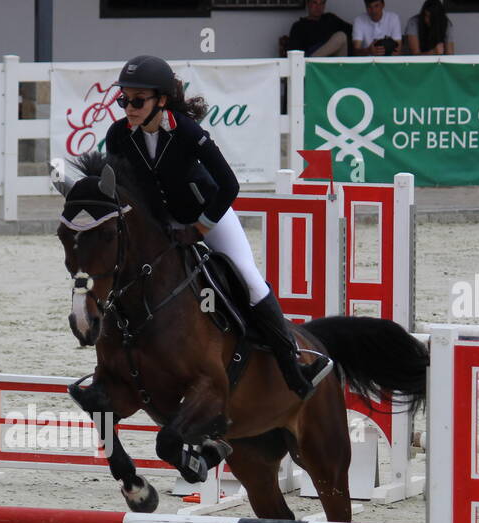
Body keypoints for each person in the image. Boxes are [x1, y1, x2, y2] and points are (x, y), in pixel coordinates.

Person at [104, 55, 331, 399]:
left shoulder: (187, 132)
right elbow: (119, 187)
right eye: (124, 100)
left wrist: (199, 229)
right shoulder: (119, 136)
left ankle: (294, 366)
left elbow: (229, 185)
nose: (129, 108)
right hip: (160, 224)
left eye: (137, 101)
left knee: (248, 279)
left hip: (208, 215)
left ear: (161, 100)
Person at [288, 0, 352, 58]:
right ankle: (311, 61)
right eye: (315, 3)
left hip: (333, 63)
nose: (318, 7)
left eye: (322, 3)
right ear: (308, 4)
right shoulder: (299, 26)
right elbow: (294, 52)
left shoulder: (330, 18)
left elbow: (352, 31)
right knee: (340, 36)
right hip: (312, 63)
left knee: (342, 37)